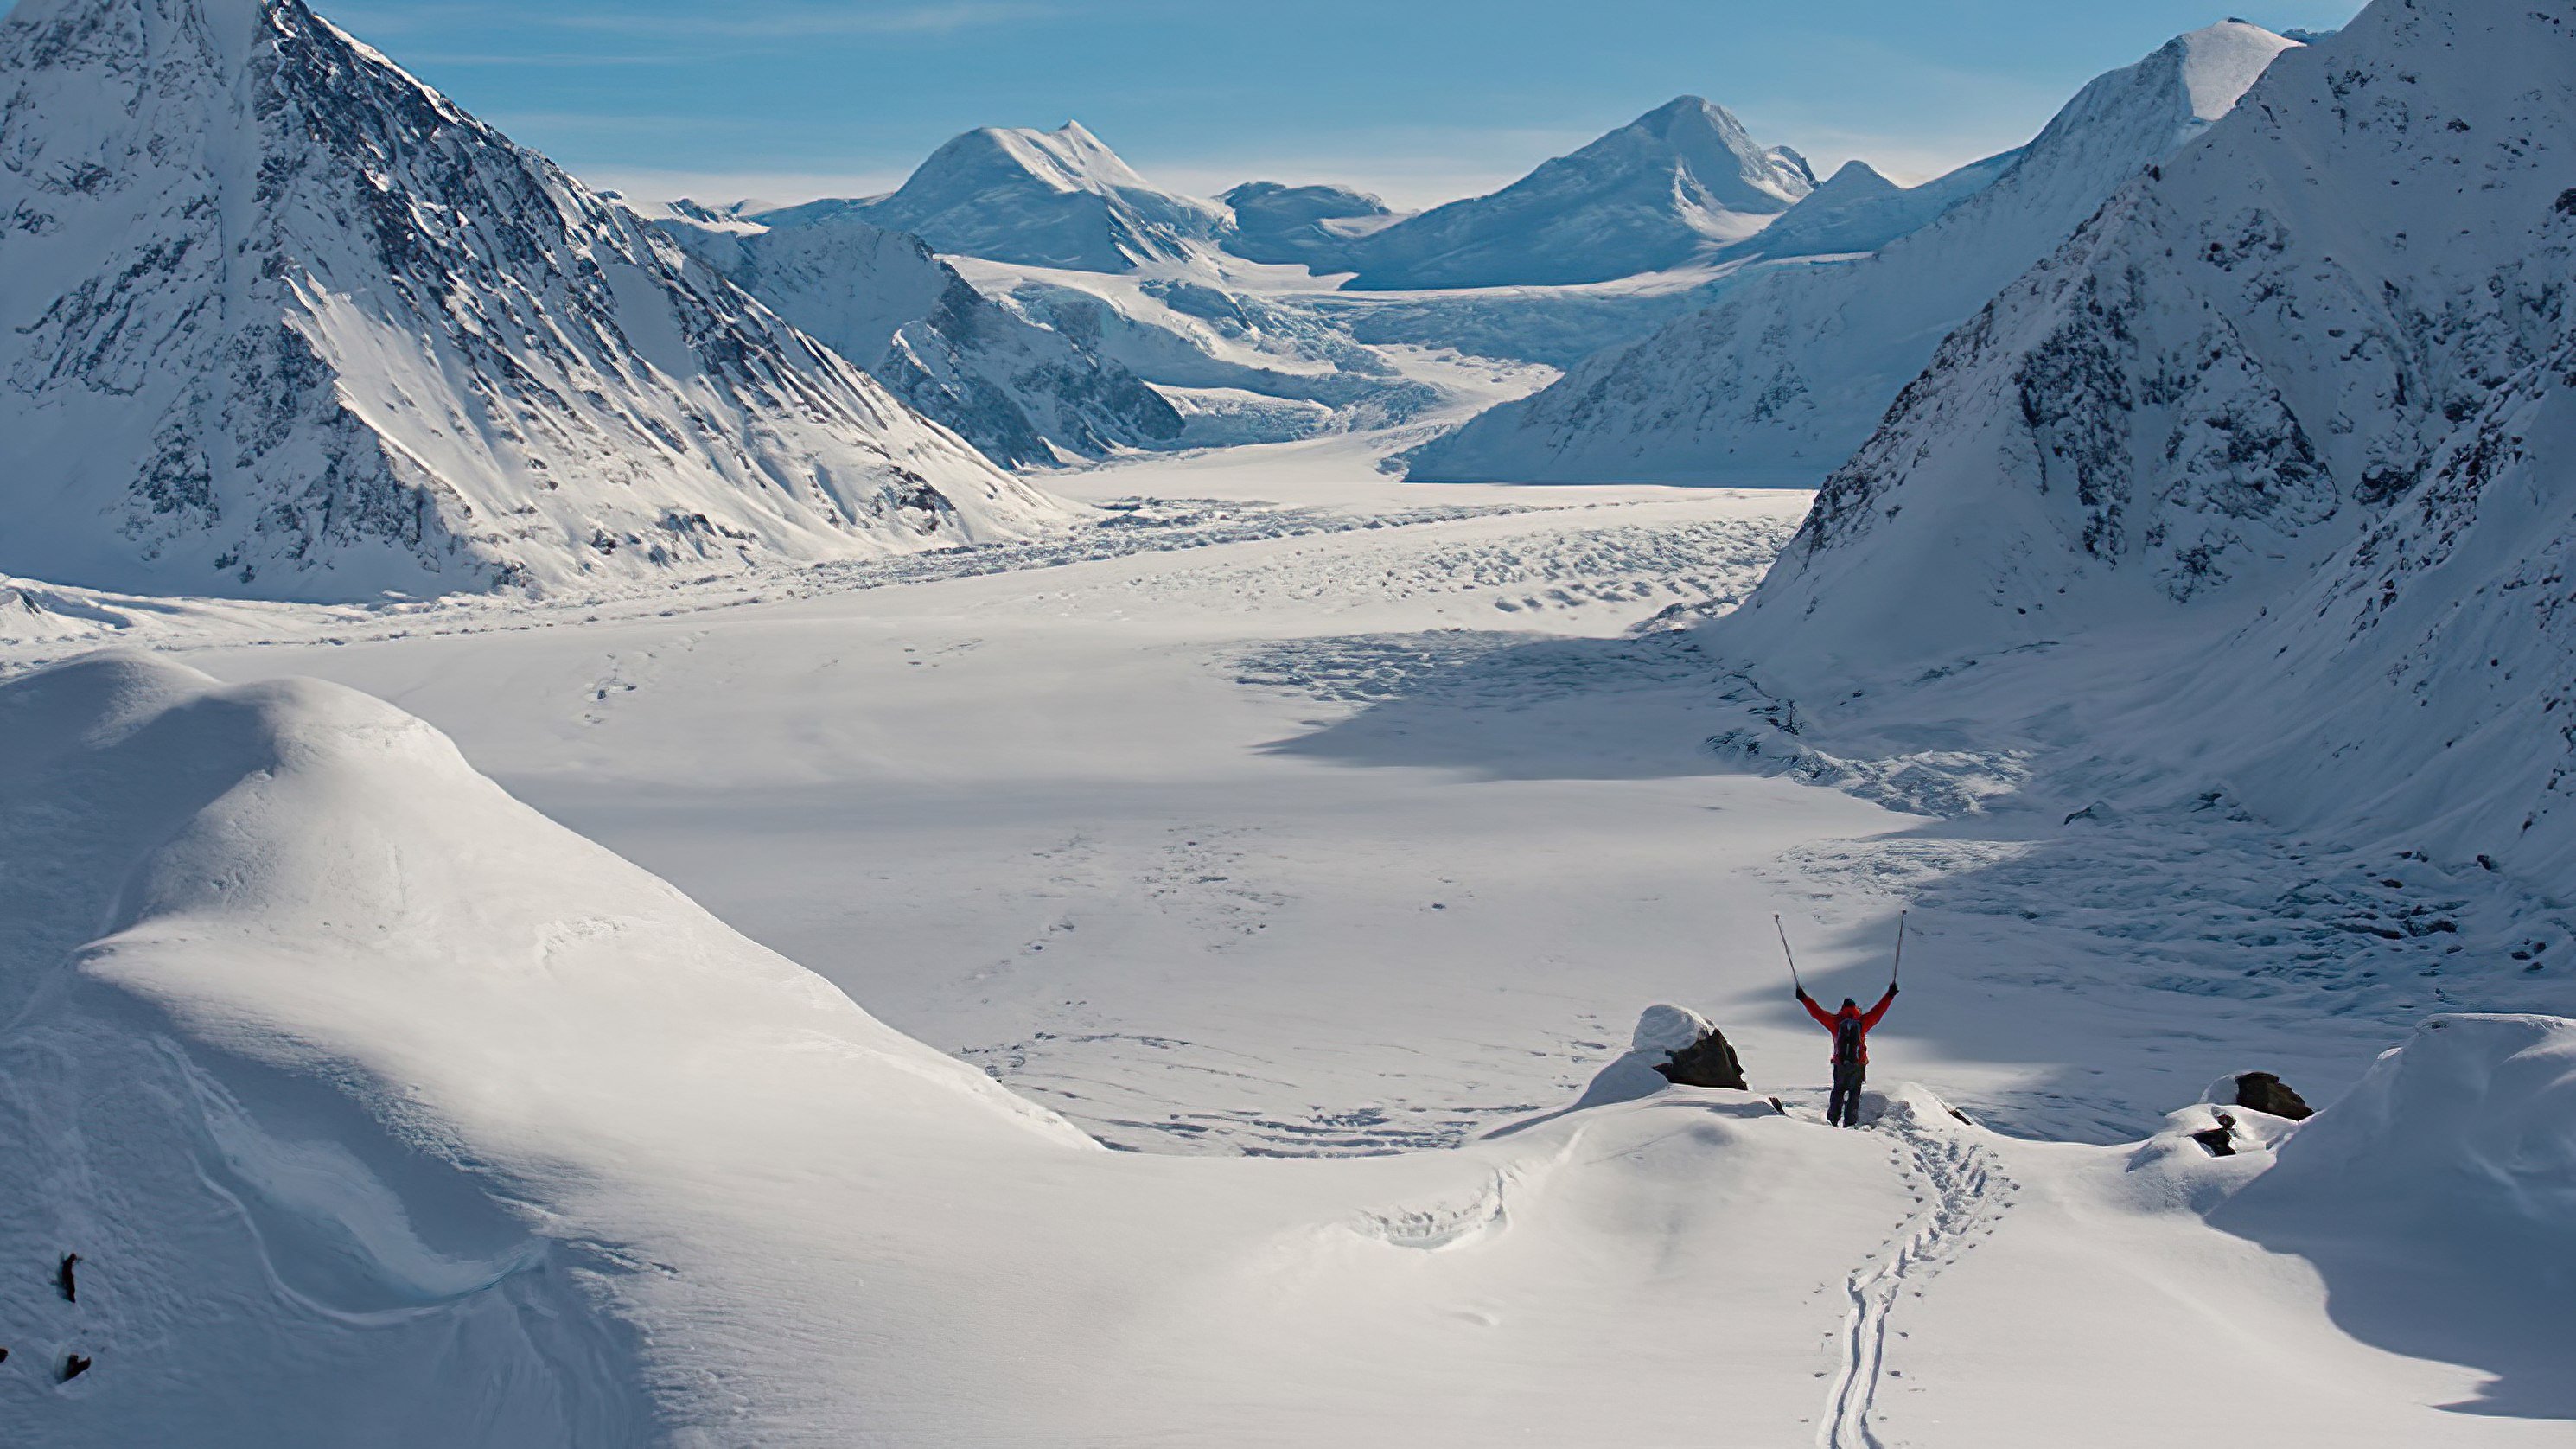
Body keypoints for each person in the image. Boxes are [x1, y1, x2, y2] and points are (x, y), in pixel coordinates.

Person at [1798, 983, 1897, 1127]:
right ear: (1856, 1008)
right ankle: (1850, 1123)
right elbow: (1878, 1013)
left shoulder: (1835, 1022)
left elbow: (1816, 1013)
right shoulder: (1862, 1022)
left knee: (1838, 1091)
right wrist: (1890, 995)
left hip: (1840, 1065)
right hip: (1858, 1065)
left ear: (1843, 1008)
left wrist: (1803, 998)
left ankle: (1832, 1120)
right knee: (1854, 1094)